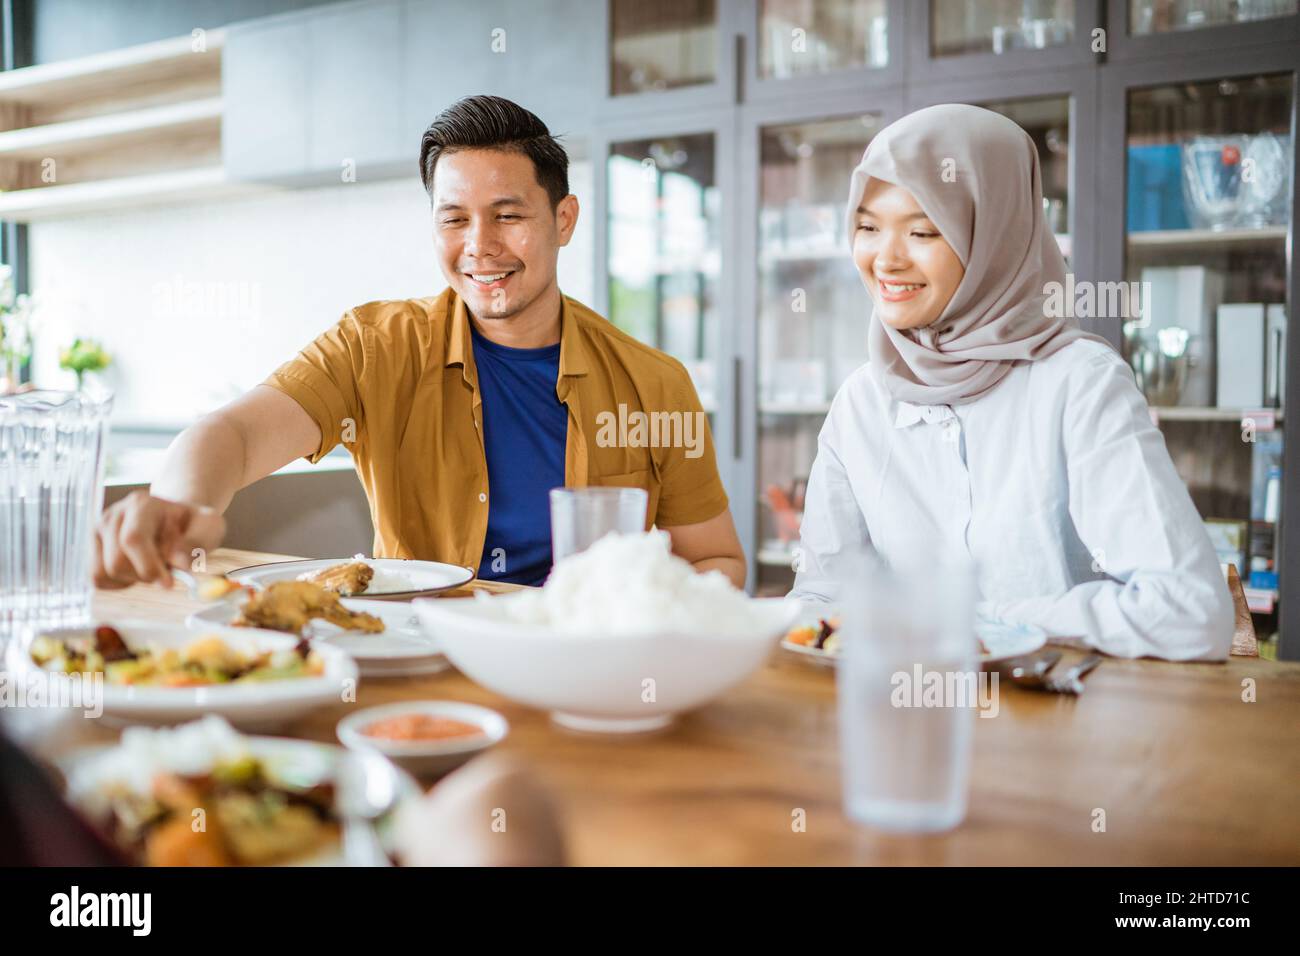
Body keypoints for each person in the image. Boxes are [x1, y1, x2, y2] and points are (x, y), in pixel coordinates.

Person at [93, 95, 744, 590]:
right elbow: (233, 434)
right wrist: (180, 505)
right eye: (454, 219)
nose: (480, 246)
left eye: (509, 216)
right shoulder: (374, 347)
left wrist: (653, 607)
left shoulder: (655, 381)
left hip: (586, 671)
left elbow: (716, 558)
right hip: (419, 662)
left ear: (563, 219)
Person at [790, 103, 1233, 661]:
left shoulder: (1079, 384)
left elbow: (1193, 613)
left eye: (924, 230)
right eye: (868, 227)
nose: (886, 259)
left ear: (995, 235)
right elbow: (821, 601)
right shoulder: (861, 402)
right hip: (912, 722)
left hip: (1071, 725)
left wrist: (995, 622)